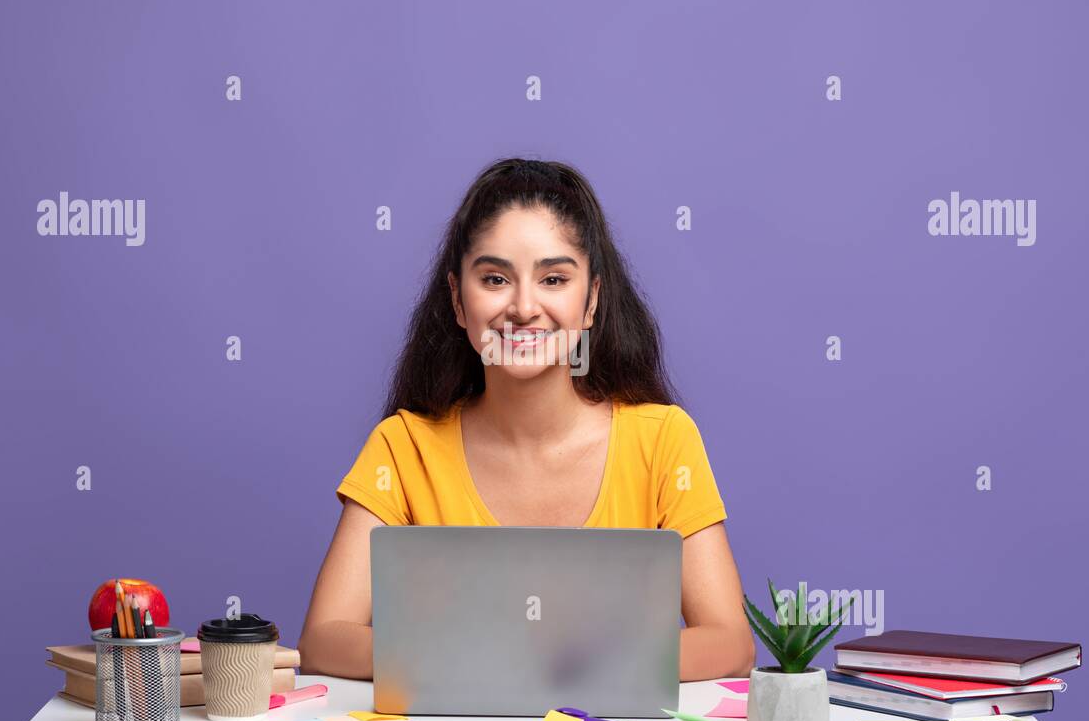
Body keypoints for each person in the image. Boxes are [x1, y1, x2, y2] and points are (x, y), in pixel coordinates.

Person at [299, 157, 755, 681]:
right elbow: (324, 639)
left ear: (591, 301)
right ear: (457, 299)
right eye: (495, 279)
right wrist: (487, 659)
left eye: (553, 279)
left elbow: (730, 643)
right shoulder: (403, 447)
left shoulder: (663, 440)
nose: (523, 307)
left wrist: (564, 663)